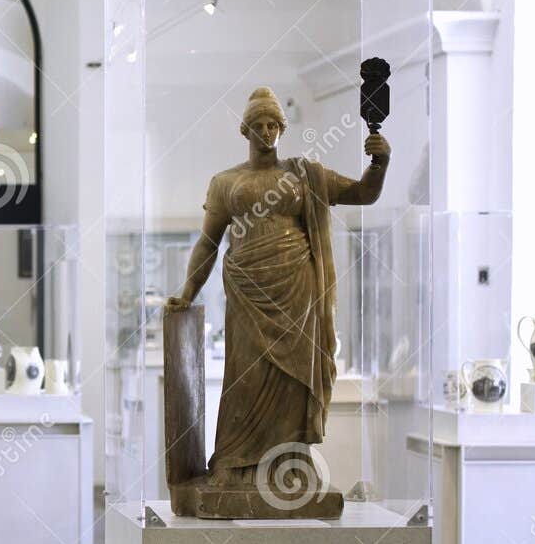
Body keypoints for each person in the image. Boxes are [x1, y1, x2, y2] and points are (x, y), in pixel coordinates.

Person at [166, 86, 390, 492]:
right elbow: (208, 244)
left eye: (274, 125)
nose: (267, 132)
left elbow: (363, 193)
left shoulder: (305, 175)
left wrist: (380, 162)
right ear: (246, 130)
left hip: (297, 291)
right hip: (247, 293)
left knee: (292, 381)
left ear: (282, 129)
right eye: (259, 126)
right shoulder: (225, 182)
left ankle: (288, 462)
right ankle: (233, 464)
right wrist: (188, 292)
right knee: (245, 375)